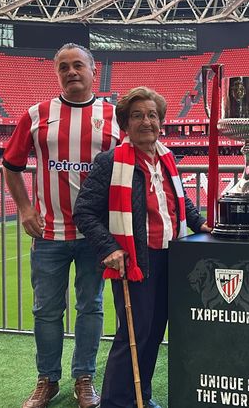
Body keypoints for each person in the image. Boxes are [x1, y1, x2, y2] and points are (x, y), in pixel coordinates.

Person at [73, 86, 210, 408]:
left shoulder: (167, 158)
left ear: (161, 121)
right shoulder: (111, 162)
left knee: (154, 332)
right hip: (135, 260)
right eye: (137, 116)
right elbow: (84, 211)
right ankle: (116, 402)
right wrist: (108, 248)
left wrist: (200, 223)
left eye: (152, 115)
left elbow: (179, 202)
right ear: (126, 124)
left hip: (172, 257)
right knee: (134, 336)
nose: (146, 121)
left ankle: (140, 397)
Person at [3, 43, 119, 408]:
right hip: (49, 233)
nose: (71, 72)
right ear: (57, 74)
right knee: (46, 310)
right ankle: (47, 380)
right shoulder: (37, 114)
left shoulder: (115, 116)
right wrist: (24, 209)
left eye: (78, 66)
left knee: (91, 306)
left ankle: (84, 377)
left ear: (93, 71)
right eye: (64, 67)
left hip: (95, 236)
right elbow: (10, 163)